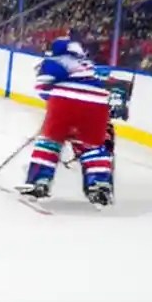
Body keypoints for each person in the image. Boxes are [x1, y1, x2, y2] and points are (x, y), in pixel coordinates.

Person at [16, 38, 114, 208]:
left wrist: (55, 106)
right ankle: (99, 185)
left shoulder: (53, 62)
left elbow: (42, 87)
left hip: (65, 102)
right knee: (91, 146)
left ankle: (39, 181)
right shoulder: (87, 65)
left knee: (50, 143)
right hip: (99, 104)